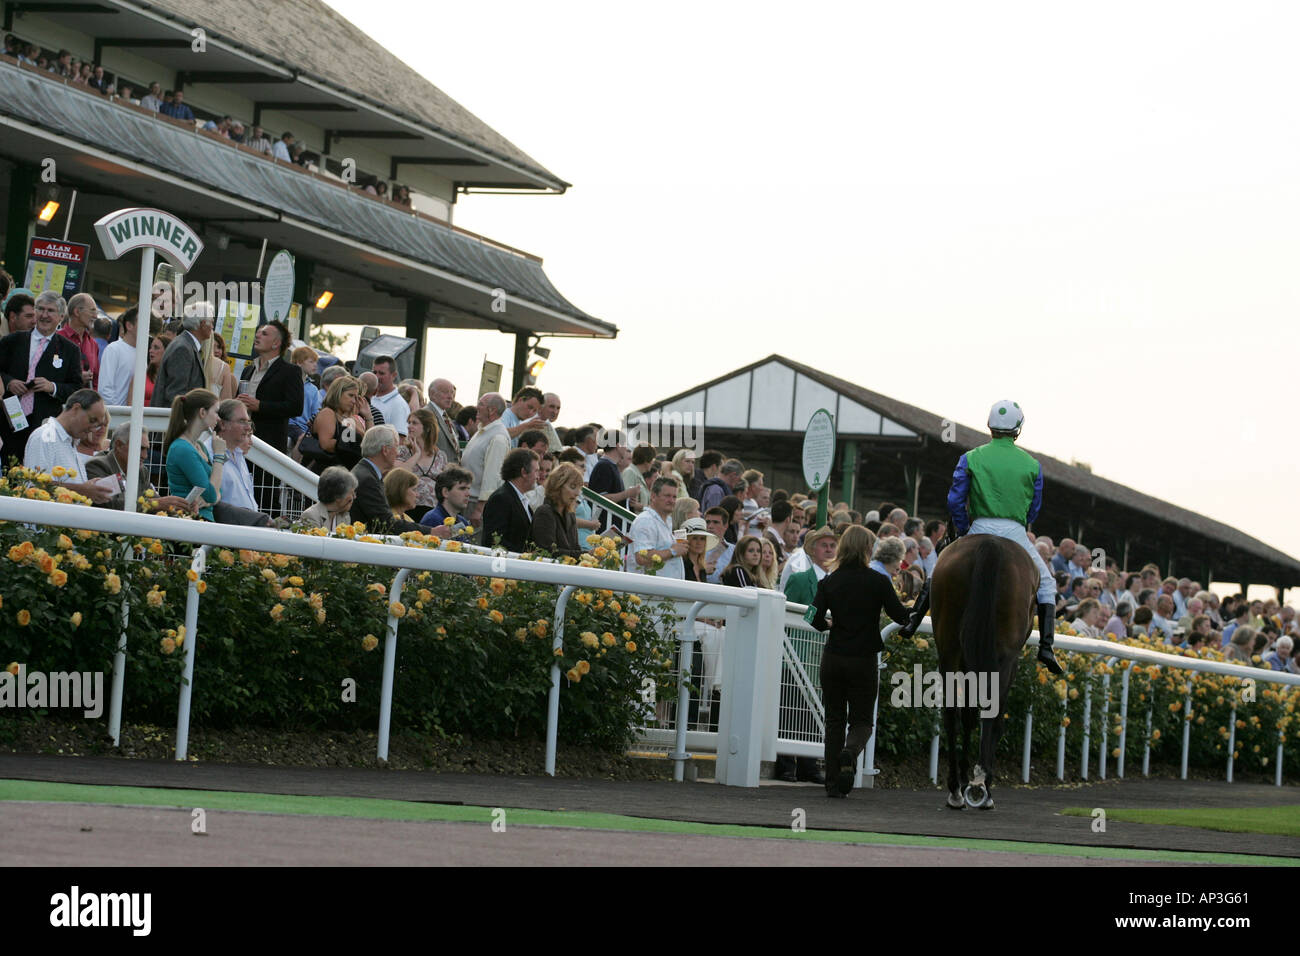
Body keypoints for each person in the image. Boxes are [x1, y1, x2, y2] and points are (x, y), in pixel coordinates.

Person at [899, 399, 1062, 674]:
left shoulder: (971, 457)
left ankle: (914, 620)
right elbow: (1034, 508)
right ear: (1018, 430)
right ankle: (1046, 648)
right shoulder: (1032, 465)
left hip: (979, 526)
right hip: (1015, 531)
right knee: (1046, 584)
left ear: (989, 427)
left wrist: (963, 530)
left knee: (940, 568)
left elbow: (954, 501)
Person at [810, 532, 912, 796]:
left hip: (833, 657)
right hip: (863, 659)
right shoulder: (878, 581)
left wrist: (827, 625)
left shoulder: (829, 580)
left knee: (834, 720)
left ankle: (832, 784)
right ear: (868, 549)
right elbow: (900, 615)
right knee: (862, 722)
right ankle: (850, 752)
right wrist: (920, 606)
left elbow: (813, 617)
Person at [0, 292, 86, 466]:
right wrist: (9, 382)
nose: (45, 315)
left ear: (61, 316)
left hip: (44, 424)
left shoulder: (69, 350)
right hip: (9, 420)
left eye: (51, 311)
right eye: (40, 309)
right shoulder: (12, 341)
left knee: (38, 475)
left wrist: (52, 387)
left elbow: (76, 388)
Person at [238, 320, 302, 515]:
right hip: (241, 442)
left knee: (265, 497)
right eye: (258, 332)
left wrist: (261, 406)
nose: (258, 335)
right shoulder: (249, 369)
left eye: (264, 333)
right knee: (241, 494)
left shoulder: (290, 371)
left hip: (268, 444)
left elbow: (295, 406)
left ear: (276, 343)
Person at [20, 388, 114, 503]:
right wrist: (83, 490)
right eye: (92, 420)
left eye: (97, 425)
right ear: (76, 409)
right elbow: (35, 487)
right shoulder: (44, 437)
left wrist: (89, 489)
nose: (92, 428)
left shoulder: (70, 441)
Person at [85, 422, 192, 513]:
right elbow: (111, 506)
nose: (145, 456)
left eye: (146, 450)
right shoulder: (98, 466)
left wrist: (181, 506)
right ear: (118, 445)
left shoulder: (142, 471)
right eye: (140, 448)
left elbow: (158, 503)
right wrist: (155, 504)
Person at [164, 388, 225, 522]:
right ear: (202, 412)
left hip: (203, 519)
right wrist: (219, 456)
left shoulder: (199, 446)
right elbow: (212, 495)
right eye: (216, 412)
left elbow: (219, 492)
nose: (218, 418)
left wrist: (209, 500)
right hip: (191, 522)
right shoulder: (182, 449)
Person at [350, 425, 422, 535]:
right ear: (385, 450)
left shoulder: (366, 473)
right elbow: (387, 524)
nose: (398, 453)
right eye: (396, 447)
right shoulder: (367, 479)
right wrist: (432, 531)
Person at [214, 398, 272, 526]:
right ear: (223, 424)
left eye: (248, 422)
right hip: (226, 532)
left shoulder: (239, 454)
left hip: (247, 530)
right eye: (242, 421)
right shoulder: (209, 453)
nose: (247, 428)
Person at [462, 392, 509, 523]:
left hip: (476, 504)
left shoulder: (498, 437)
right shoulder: (482, 431)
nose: (477, 407)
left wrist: (479, 509)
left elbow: (492, 476)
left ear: (492, 410)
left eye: (481, 404)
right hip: (468, 500)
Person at [480, 447, 538, 552]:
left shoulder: (521, 499)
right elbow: (494, 540)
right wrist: (524, 555)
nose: (538, 477)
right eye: (536, 471)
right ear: (524, 472)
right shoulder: (500, 499)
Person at [627, 476, 686, 578]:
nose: (671, 500)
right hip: (648, 591)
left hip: (663, 590)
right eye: (667, 496)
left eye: (674, 497)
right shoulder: (646, 521)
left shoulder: (667, 520)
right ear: (653, 496)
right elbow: (641, 557)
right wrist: (673, 551)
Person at [151, 308, 210, 408]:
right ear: (202, 324)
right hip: (174, 419)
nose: (212, 327)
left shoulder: (185, 345)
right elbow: (175, 395)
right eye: (211, 323)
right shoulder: (183, 348)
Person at [306, 375, 365, 472]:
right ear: (338, 393)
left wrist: (367, 417)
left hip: (343, 472)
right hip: (324, 471)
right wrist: (352, 446)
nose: (354, 401)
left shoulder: (348, 417)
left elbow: (365, 442)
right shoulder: (327, 413)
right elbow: (325, 444)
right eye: (350, 395)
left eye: (356, 397)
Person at [397, 407, 446, 520]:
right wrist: (417, 454)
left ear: (428, 428)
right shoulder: (402, 451)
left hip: (433, 511)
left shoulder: (440, 455)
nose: (409, 426)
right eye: (409, 423)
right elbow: (399, 474)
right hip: (409, 508)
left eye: (414, 423)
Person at [531, 461, 583, 558]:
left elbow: (576, 549)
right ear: (558, 486)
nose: (577, 493)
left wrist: (592, 555)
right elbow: (547, 552)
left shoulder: (570, 515)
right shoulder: (544, 512)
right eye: (572, 487)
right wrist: (586, 555)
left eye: (579, 488)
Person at [783, 526, 838, 606]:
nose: (828, 549)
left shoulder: (840, 582)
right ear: (813, 550)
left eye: (832, 546)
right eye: (824, 545)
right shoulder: (798, 580)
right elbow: (787, 613)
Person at [57, 293, 101, 389]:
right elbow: (50, 374)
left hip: (86, 401)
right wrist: (75, 378)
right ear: (77, 312)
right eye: (92, 311)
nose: (96, 316)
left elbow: (96, 380)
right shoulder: (56, 339)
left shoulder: (93, 344)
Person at [98, 307, 139, 406]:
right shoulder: (113, 349)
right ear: (129, 325)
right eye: (142, 322)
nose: (147, 327)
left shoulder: (143, 353)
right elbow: (104, 389)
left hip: (135, 417)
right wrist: (120, 412)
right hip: (117, 416)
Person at [419, 465, 474, 539]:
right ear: (445, 492)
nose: (468, 494)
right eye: (462, 488)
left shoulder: (463, 521)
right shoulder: (432, 519)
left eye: (468, 489)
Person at [299, 465, 357, 532]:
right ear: (337, 496)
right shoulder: (311, 516)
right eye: (351, 493)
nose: (354, 497)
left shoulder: (344, 516)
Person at [367, 356, 408, 435]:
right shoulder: (369, 397)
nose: (377, 377)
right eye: (374, 372)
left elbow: (400, 440)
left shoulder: (399, 405)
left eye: (381, 373)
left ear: (394, 375)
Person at [205, 332, 237, 401]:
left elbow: (228, 404)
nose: (217, 351)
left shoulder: (230, 377)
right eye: (212, 347)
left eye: (219, 347)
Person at [144, 335, 164, 405]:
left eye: (156, 348)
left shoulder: (172, 377)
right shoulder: (141, 376)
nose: (150, 351)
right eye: (150, 347)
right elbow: (131, 404)